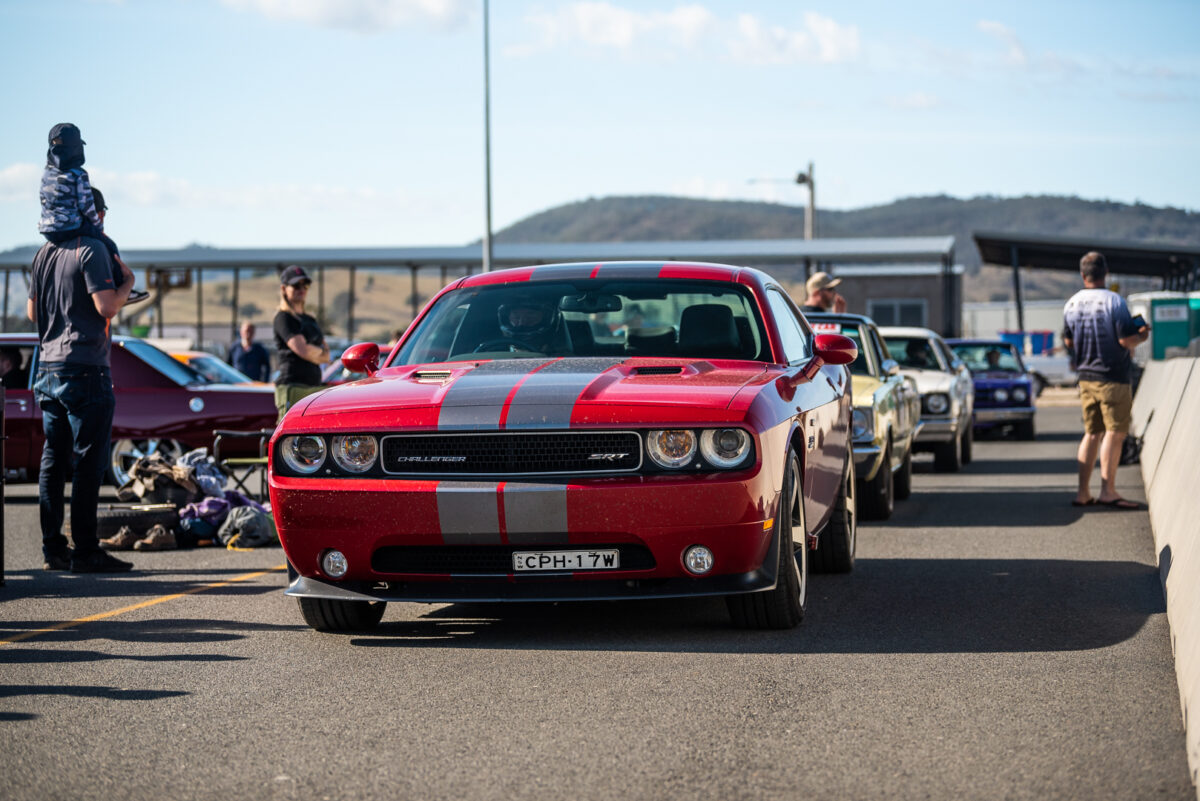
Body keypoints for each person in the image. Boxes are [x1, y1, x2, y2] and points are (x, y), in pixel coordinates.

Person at [27, 194, 136, 572]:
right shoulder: (91, 248)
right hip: (85, 366)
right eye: (101, 212)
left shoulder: (44, 252)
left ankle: (53, 549)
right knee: (89, 462)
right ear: (94, 213)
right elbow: (107, 306)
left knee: (53, 459)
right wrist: (128, 285)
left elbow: (32, 312)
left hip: (48, 366)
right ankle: (86, 551)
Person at [1062, 251, 1150, 510]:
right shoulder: (1114, 302)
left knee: (1091, 433)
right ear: (1106, 273)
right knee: (1115, 432)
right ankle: (1108, 490)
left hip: (1086, 377)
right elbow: (1126, 340)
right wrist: (1142, 335)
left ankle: (1082, 493)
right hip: (1113, 376)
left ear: (1083, 274)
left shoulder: (1072, 303)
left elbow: (1068, 341)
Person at [37, 123, 122, 264]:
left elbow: (44, 200)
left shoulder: (46, 174)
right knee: (110, 246)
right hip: (70, 228)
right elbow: (86, 207)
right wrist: (98, 227)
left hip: (47, 230)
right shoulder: (79, 174)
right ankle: (120, 276)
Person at [273, 265, 329, 421]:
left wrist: (314, 352)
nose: (301, 289)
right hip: (293, 387)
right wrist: (318, 352)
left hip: (315, 387)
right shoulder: (283, 318)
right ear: (284, 289)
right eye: (296, 285)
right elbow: (302, 350)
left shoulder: (310, 319)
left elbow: (327, 355)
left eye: (305, 285)